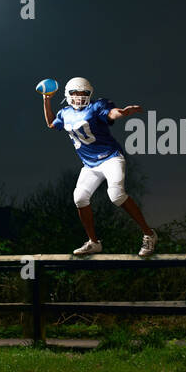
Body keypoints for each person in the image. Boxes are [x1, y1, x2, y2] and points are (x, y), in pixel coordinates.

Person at [43, 76, 158, 256]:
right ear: (68, 95)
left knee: (116, 195)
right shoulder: (65, 113)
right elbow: (51, 124)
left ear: (90, 94)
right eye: (75, 93)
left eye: (84, 93)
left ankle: (149, 234)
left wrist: (123, 113)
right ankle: (93, 242)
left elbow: (112, 113)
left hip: (110, 158)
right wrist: (46, 100)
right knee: (79, 197)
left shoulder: (96, 106)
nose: (80, 97)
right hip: (90, 165)